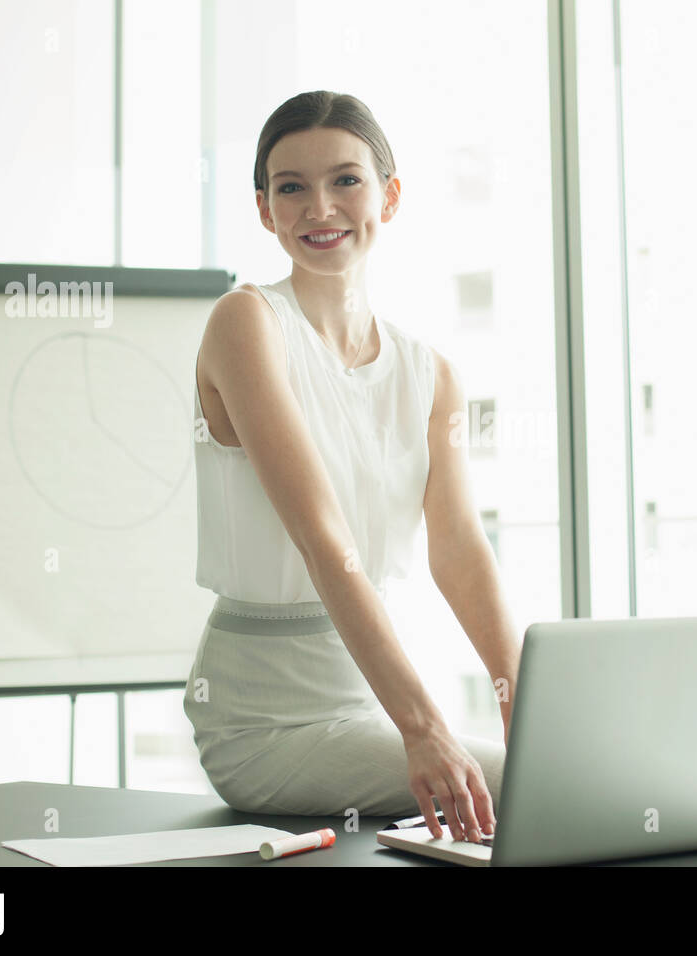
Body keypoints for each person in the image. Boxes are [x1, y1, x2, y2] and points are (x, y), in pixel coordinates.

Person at [183, 91, 519, 844]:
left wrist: (520, 697)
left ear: (389, 196)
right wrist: (425, 724)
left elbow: (460, 548)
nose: (318, 206)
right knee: (534, 788)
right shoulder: (245, 324)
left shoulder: (431, 373)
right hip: (262, 722)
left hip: (367, 703)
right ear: (265, 210)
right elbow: (322, 539)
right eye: (290, 187)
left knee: (556, 767)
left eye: (346, 180)